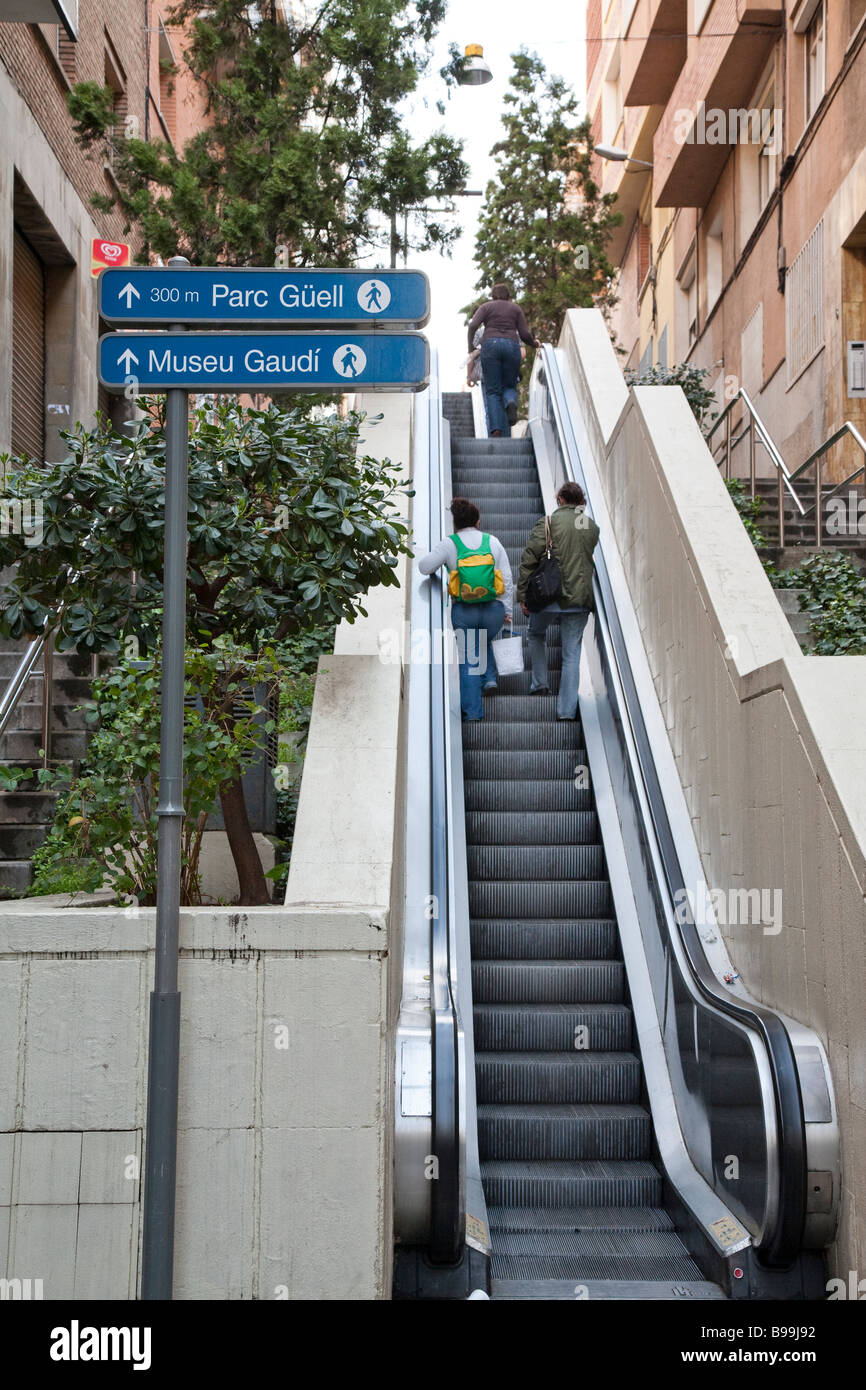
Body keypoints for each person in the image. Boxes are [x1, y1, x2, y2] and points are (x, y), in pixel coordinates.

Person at [419, 497, 513, 721]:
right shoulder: (493, 542)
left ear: (455, 523)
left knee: (470, 660)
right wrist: (506, 609)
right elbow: (507, 578)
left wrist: (442, 567)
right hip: (493, 611)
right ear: (477, 521)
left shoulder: (449, 543)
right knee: (485, 637)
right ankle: (489, 677)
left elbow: (424, 567)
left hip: (465, 611)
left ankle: (473, 712)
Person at [516, 481, 599, 722]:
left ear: (561, 500)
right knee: (571, 653)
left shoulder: (548, 523)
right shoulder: (590, 527)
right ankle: (565, 712)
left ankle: (540, 683)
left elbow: (529, 560)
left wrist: (523, 596)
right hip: (580, 599)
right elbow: (584, 542)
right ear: (580, 502)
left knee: (535, 633)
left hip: (549, 596)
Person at [466, 283, 540, 438]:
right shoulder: (516, 309)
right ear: (509, 296)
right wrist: (534, 344)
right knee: (509, 385)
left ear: (493, 296)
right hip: (512, 345)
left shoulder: (486, 307)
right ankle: (510, 402)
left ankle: (496, 430)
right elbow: (525, 334)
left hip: (490, 346)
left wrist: (470, 348)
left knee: (493, 391)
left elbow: (473, 325)